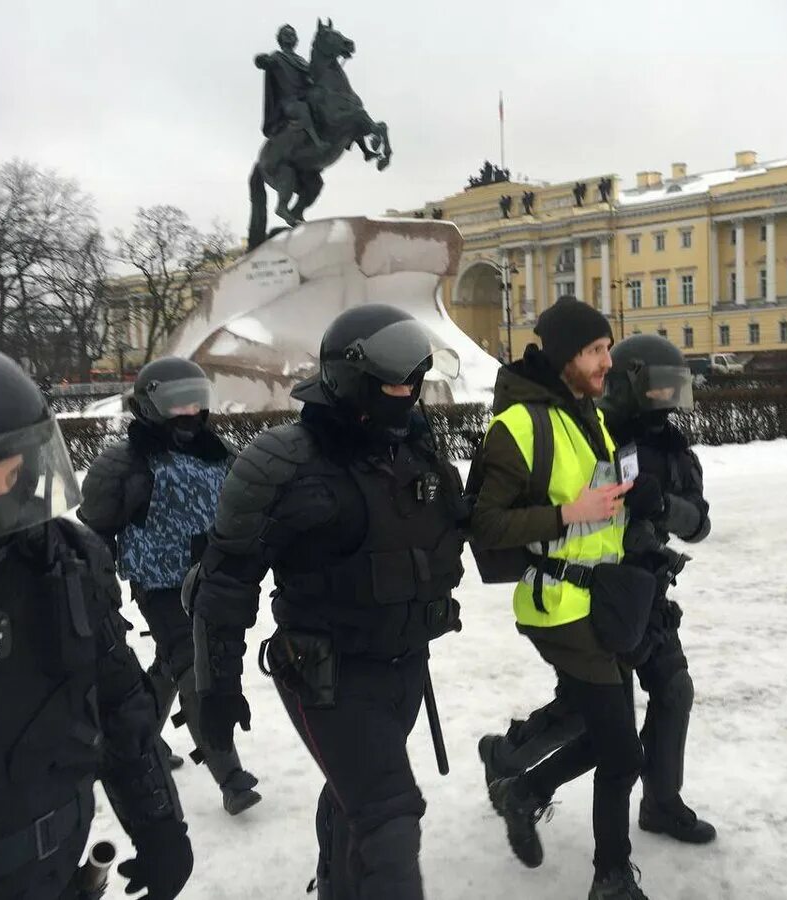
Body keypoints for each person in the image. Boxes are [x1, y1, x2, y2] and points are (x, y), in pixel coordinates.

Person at [189, 305, 466, 900]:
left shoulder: (416, 454)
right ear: (347, 378)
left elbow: (463, 536)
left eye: (412, 382)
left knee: (356, 799)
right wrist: (216, 685)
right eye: (392, 382)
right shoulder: (283, 462)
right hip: (327, 679)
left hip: (405, 669)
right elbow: (225, 582)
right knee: (391, 821)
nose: (405, 394)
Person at [0, 341, 193, 900]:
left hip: (64, 867)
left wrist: (160, 824)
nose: (3, 497)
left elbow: (119, 703)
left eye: (14, 474)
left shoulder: (65, 560)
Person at [477, 333, 717, 849]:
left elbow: (699, 523)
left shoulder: (672, 450)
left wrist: (662, 508)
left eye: (675, 390)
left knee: (672, 689)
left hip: (645, 592)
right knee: (593, 716)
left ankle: (661, 802)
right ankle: (509, 760)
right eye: (659, 389)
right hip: (591, 594)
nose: (668, 400)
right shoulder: (590, 433)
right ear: (631, 385)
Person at [470, 297, 654, 900]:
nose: (608, 361)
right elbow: (486, 525)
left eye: (607, 348)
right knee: (621, 751)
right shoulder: (517, 426)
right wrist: (565, 514)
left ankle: (515, 778)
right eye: (596, 351)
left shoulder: (589, 415)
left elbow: (598, 498)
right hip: (559, 607)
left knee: (590, 720)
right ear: (565, 356)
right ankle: (609, 876)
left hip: (599, 601)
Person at [78, 357, 262, 816]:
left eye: (194, 403)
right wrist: (98, 598)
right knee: (194, 665)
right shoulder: (123, 462)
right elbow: (94, 536)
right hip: (158, 585)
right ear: (149, 407)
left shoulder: (219, 454)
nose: (187, 413)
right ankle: (230, 776)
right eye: (175, 404)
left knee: (172, 661)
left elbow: (247, 508)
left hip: (212, 581)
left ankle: (146, 738)